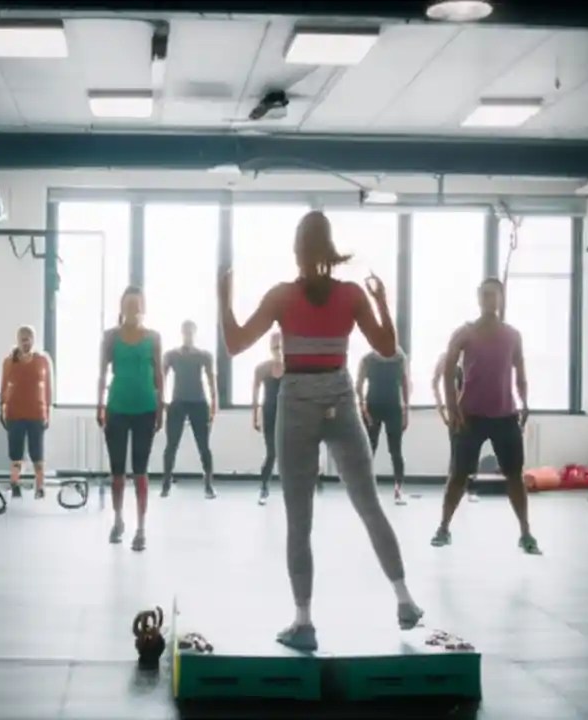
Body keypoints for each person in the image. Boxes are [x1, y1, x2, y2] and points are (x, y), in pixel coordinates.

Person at [220, 210, 422, 651]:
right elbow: (388, 348)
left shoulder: (280, 296)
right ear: (330, 250)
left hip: (296, 403)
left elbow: (234, 344)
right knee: (369, 505)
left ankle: (303, 622)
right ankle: (405, 600)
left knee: (299, 520)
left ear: (297, 251)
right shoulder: (350, 295)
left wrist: (224, 298)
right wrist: (382, 301)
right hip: (339, 398)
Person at [435, 279, 538, 553]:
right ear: (479, 298)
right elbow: (446, 371)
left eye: (495, 295)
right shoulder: (464, 333)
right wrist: (451, 407)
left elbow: (520, 372)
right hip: (470, 415)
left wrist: (525, 401)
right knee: (458, 474)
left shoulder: (513, 335)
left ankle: (525, 533)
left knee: (514, 475)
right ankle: (444, 527)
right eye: (486, 295)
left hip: (505, 415)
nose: (490, 299)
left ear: (501, 299)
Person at [97, 287, 163, 552]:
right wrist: (99, 405)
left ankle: (141, 528)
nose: (133, 308)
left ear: (143, 308)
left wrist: (161, 408)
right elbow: (102, 372)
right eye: (129, 304)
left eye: (137, 304)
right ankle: (118, 520)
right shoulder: (111, 337)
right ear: (122, 307)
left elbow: (159, 374)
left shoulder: (154, 337)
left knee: (140, 471)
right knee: (117, 472)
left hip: (145, 409)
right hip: (117, 408)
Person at [161, 320, 217, 499]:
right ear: (181, 333)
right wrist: (161, 400)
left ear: (194, 333)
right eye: (185, 332)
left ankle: (208, 485)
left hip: (199, 402)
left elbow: (211, 380)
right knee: (171, 445)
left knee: (204, 446)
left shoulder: (203, 355)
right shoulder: (171, 355)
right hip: (178, 402)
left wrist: (214, 403)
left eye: (190, 332)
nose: (188, 335)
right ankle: (166, 484)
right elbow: (161, 377)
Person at [0, 325, 52, 499]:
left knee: (37, 454)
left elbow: (48, 389)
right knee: (16, 454)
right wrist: (3, 408)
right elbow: (4, 387)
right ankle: (15, 485)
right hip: (15, 414)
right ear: (18, 341)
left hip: (37, 413)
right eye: (22, 339)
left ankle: (40, 486)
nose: (25, 342)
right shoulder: (9, 362)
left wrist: (48, 413)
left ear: (33, 340)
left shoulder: (42, 361)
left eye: (28, 339)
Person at [357, 346, 410, 504]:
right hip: (372, 408)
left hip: (394, 409)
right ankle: (365, 489)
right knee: (369, 449)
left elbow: (405, 384)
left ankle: (398, 489)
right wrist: (363, 408)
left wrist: (406, 410)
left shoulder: (400, 358)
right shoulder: (367, 360)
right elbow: (358, 385)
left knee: (395, 450)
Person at [432, 352, 477, 503]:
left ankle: (470, 488)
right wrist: (442, 411)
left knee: (471, 449)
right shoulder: (445, 359)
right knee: (456, 449)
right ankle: (453, 489)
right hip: (454, 412)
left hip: (469, 411)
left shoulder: (467, 360)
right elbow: (435, 384)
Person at [252, 333, 284, 506]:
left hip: (288, 414)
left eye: (280, 346)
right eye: (274, 347)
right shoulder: (262, 368)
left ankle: (293, 490)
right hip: (270, 413)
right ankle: (264, 487)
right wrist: (254, 417)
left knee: (290, 454)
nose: (277, 350)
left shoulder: (292, 368)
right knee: (272, 453)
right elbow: (255, 393)